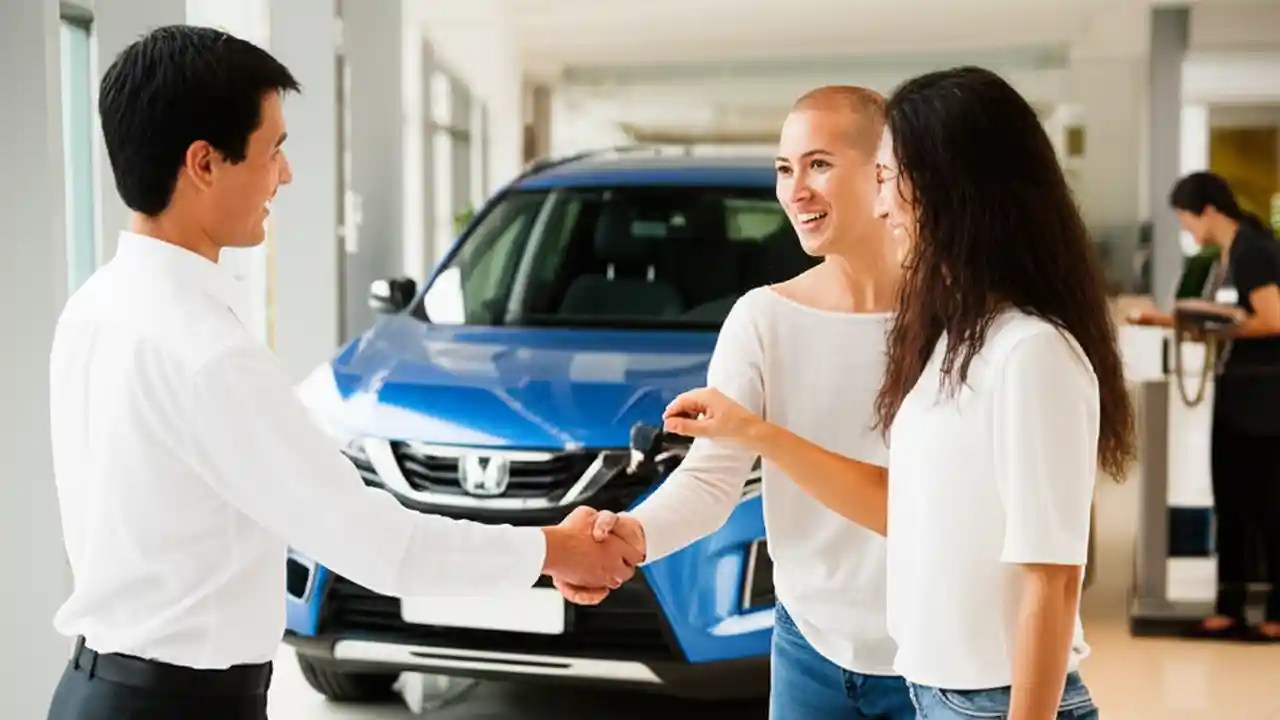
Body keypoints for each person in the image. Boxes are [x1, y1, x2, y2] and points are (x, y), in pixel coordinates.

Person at [45, 25, 640, 720]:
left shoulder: (93, 306)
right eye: (274, 150)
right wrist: (555, 549)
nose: (286, 175)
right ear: (204, 163)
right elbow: (382, 547)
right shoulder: (207, 351)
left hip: (95, 691)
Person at [652, 67, 1135, 719]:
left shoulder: (1031, 351)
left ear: (952, 188)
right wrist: (756, 434)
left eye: (886, 179)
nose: (881, 207)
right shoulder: (953, 342)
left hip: (993, 702)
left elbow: (1050, 576)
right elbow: (903, 505)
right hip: (933, 688)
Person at [556, 86, 913, 719]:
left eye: (820, 164)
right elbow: (710, 478)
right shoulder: (762, 319)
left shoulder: (956, 317)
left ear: (886, 169)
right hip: (811, 647)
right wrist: (632, 535)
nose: (796, 190)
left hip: (936, 654)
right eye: (785, 169)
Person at [1130, 172, 1280, 641]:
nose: (1188, 230)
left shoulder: (1254, 251)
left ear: (1209, 210)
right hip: (1240, 399)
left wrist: (1219, 327)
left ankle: (1269, 614)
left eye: (1186, 219)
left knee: (1265, 508)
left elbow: (1272, 318)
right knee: (1234, 504)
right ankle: (1230, 607)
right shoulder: (1228, 258)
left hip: (1262, 404)